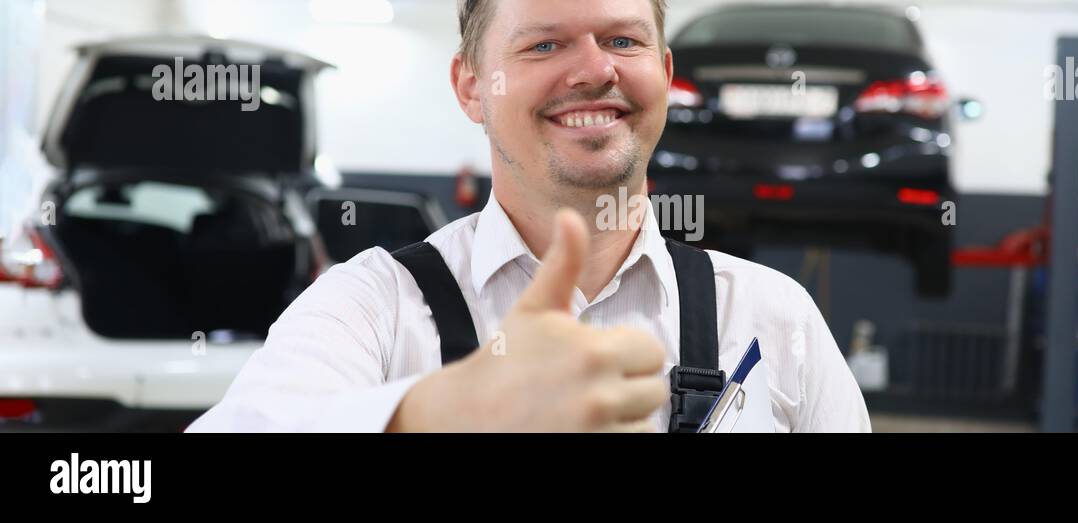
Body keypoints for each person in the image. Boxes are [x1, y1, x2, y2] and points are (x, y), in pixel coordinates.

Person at [188, 0, 871, 433]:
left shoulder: (774, 316)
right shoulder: (373, 307)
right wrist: (427, 417)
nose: (595, 70)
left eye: (623, 41)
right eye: (544, 45)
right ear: (470, 87)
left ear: (664, 73)